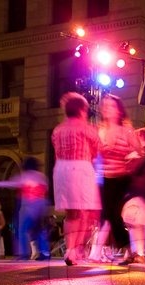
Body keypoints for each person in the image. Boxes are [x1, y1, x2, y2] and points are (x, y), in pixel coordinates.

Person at [89, 94, 144, 263]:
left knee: (114, 214)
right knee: (108, 216)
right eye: (105, 106)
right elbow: (93, 154)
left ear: (119, 110)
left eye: (111, 106)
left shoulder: (126, 130)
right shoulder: (100, 130)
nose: (107, 109)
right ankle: (127, 249)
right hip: (106, 179)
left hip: (122, 178)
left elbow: (139, 152)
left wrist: (132, 157)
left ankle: (129, 248)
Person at [51, 92, 101, 266]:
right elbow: (95, 152)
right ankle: (75, 250)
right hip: (81, 167)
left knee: (71, 213)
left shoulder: (58, 130)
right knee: (84, 212)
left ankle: (71, 249)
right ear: (81, 109)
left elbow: (57, 152)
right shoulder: (87, 128)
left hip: (61, 168)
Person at [0, 157, 51, 260]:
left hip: (30, 207)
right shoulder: (42, 176)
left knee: (22, 230)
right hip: (41, 205)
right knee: (38, 230)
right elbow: (45, 190)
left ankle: (24, 253)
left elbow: (11, 183)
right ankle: (44, 253)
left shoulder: (26, 176)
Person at [119, 128, 145, 265]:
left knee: (135, 224)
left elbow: (141, 176)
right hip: (136, 194)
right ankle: (136, 253)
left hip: (139, 194)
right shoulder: (143, 154)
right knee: (133, 224)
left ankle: (138, 253)